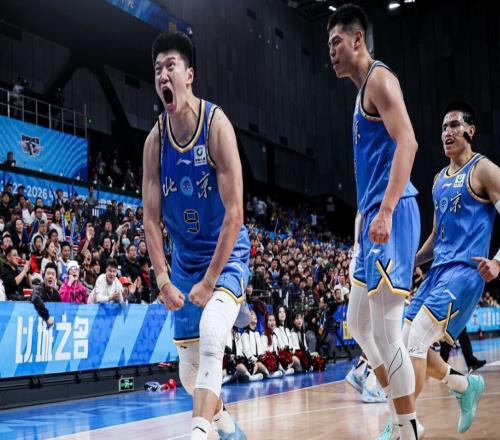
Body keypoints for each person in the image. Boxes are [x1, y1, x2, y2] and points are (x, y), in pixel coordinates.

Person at [143, 31, 250, 440]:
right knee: (189, 375)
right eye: (157, 69)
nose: (163, 75)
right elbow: (150, 219)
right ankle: (226, 425)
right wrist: (163, 279)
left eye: (171, 66)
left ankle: (200, 432)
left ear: (189, 75)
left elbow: (235, 213)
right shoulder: (155, 142)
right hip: (185, 261)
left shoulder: (216, 126)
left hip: (225, 253)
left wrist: (210, 281)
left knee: (212, 334)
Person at [327, 4, 420, 439]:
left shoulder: (380, 80)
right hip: (372, 221)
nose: (331, 52)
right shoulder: (360, 91)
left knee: (386, 332)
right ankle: (397, 416)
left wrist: (385, 210)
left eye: (336, 42)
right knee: (359, 324)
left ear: (357, 38)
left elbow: (409, 142)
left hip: (392, 213)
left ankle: (408, 428)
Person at [403, 101, 500, 434]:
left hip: (465, 273)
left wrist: (497, 262)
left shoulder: (483, 170)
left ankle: (403, 426)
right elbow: (435, 238)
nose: (447, 132)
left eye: (454, 125)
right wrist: (409, 262)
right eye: (444, 127)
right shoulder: (438, 180)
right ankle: (463, 384)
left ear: (470, 131)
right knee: (404, 339)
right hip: (437, 273)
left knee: (417, 339)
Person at [30, 262, 60, 327]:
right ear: (43, 276)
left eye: (53, 274)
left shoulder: (56, 294)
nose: (50, 276)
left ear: (56, 279)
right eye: (48, 273)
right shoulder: (38, 288)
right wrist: (47, 317)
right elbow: (35, 299)